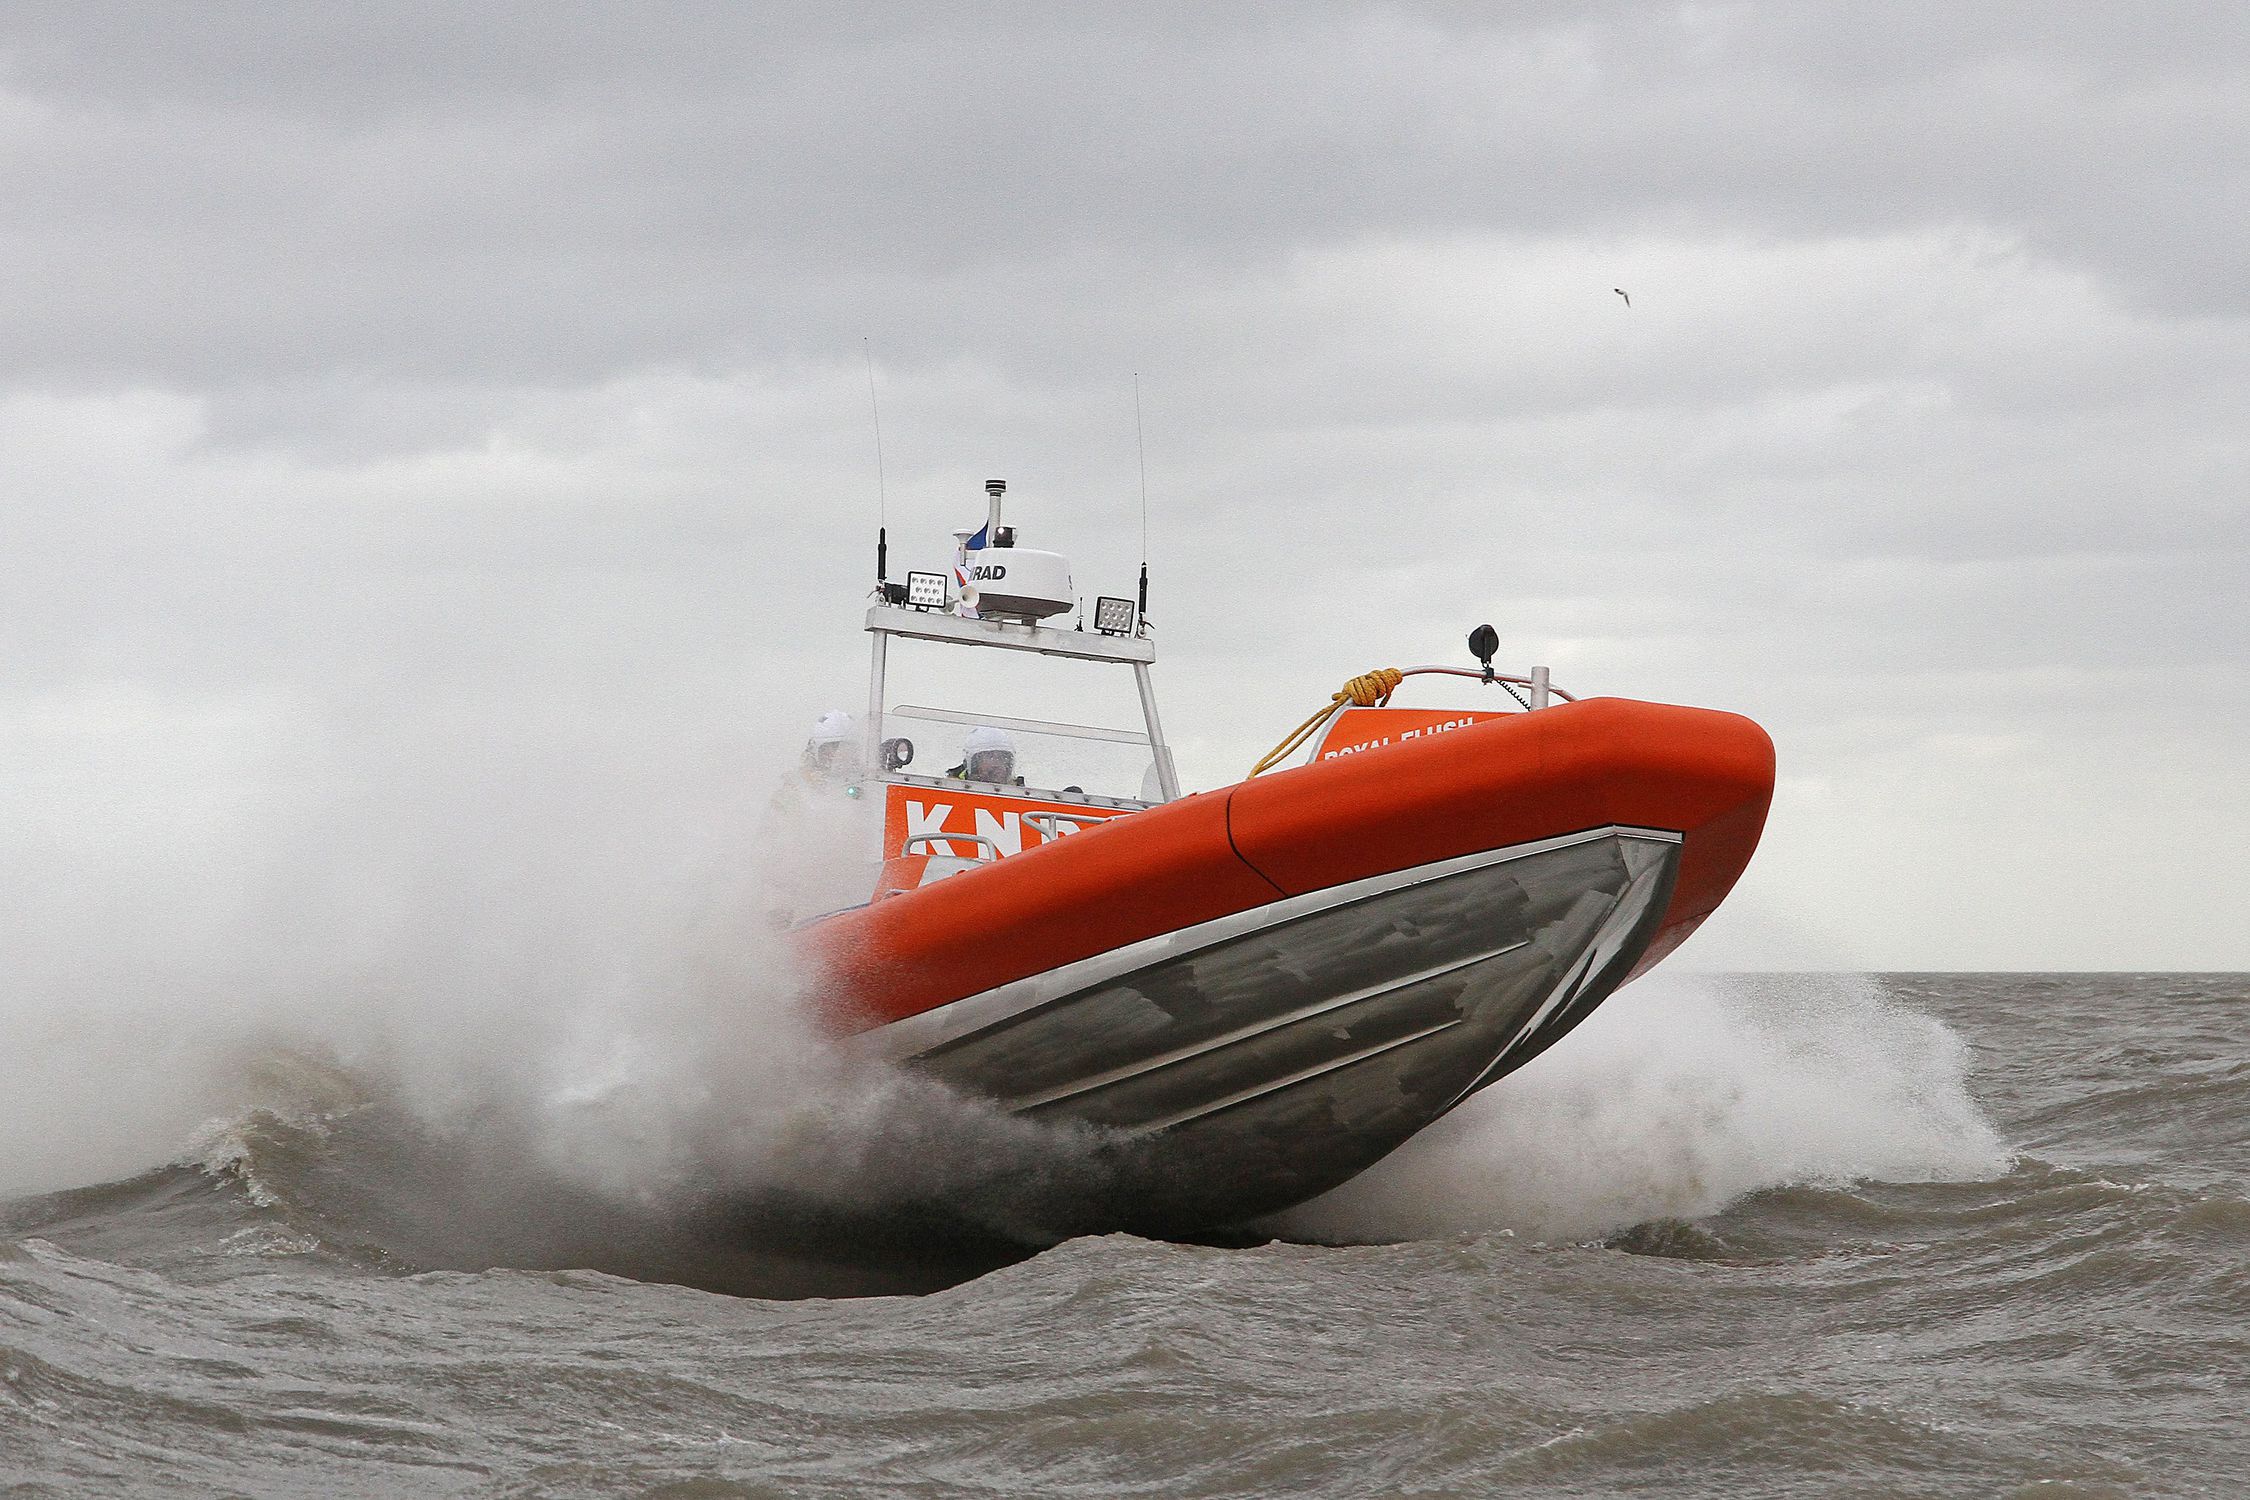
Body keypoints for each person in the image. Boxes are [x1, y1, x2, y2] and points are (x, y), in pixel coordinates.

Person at [797, 709, 861, 788]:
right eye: (826, 748)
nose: (836, 754)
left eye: (843, 747)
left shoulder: (870, 779)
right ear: (816, 752)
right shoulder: (801, 785)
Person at [948, 724, 1022, 785]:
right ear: (974, 764)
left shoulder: (1020, 795)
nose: (996, 764)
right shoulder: (952, 790)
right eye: (990, 757)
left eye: (1002, 758)